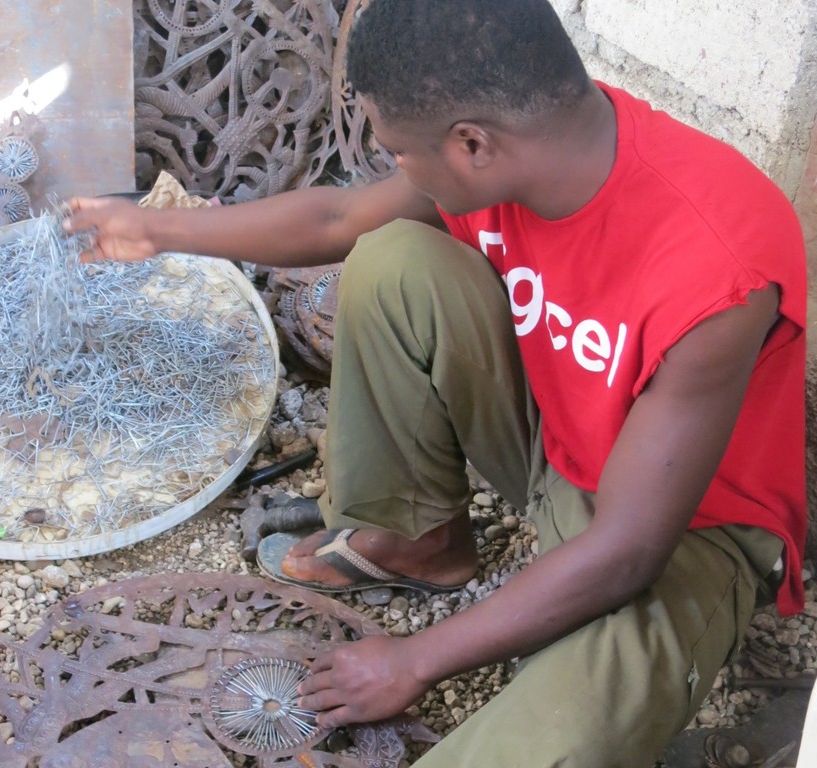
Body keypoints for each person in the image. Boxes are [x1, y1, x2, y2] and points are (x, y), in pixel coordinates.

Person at [64, 1, 808, 765]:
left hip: (683, 532)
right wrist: (157, 231)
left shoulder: (719, 268)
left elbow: (626, 552)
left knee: (553, 741)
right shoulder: (534, 146)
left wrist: (415, 659)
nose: (392, 167)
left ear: (473, 144)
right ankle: (418, 543)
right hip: (562, 442)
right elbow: (336, 218)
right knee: (393, 260)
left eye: (398, 151)